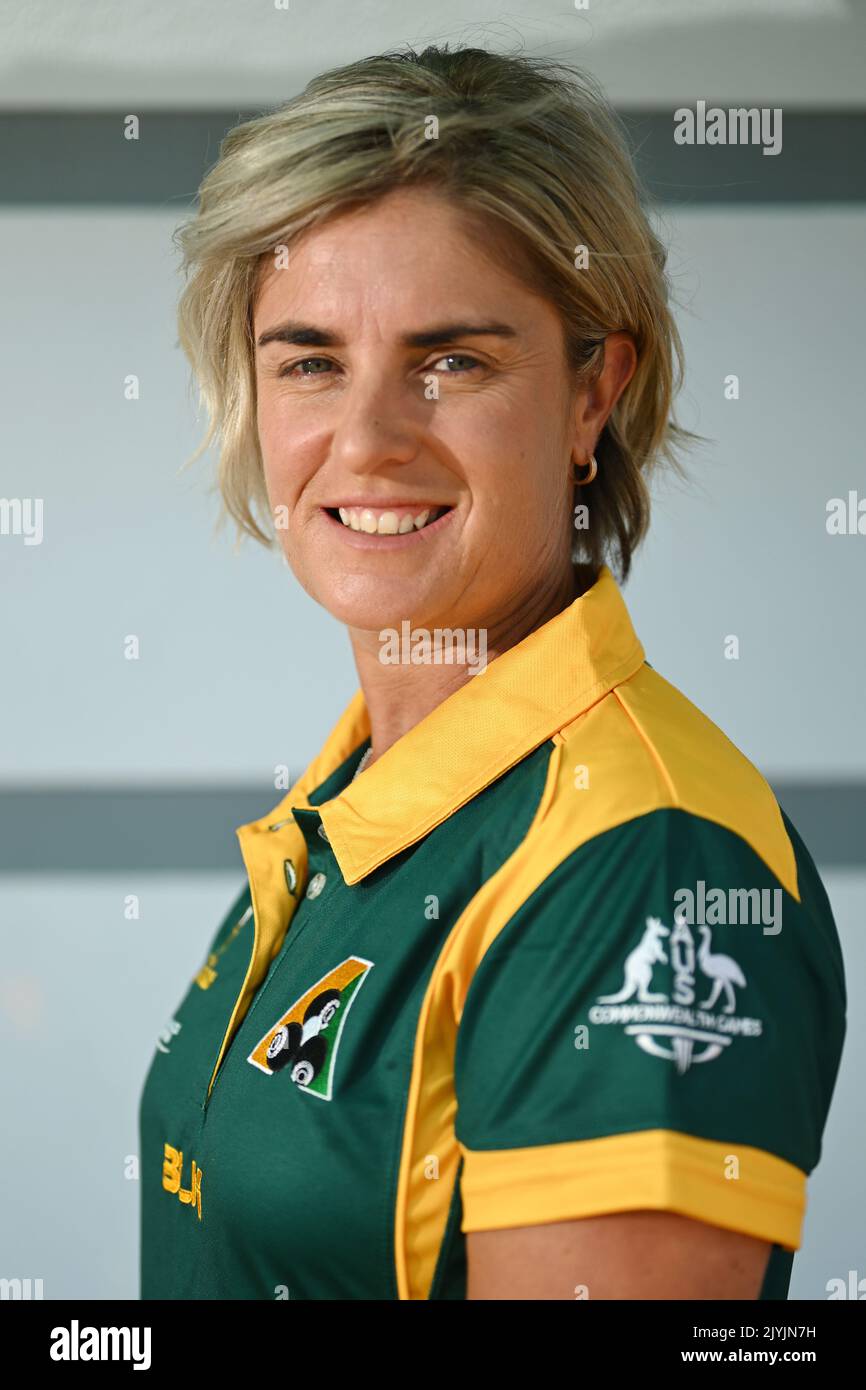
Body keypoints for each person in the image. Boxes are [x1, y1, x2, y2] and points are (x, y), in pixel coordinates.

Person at [139, 44, 846, 1300]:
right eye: (309, 360)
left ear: (592, 396)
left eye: (450, 361)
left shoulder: (647, 863)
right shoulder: (351, 801)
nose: (364, 439)